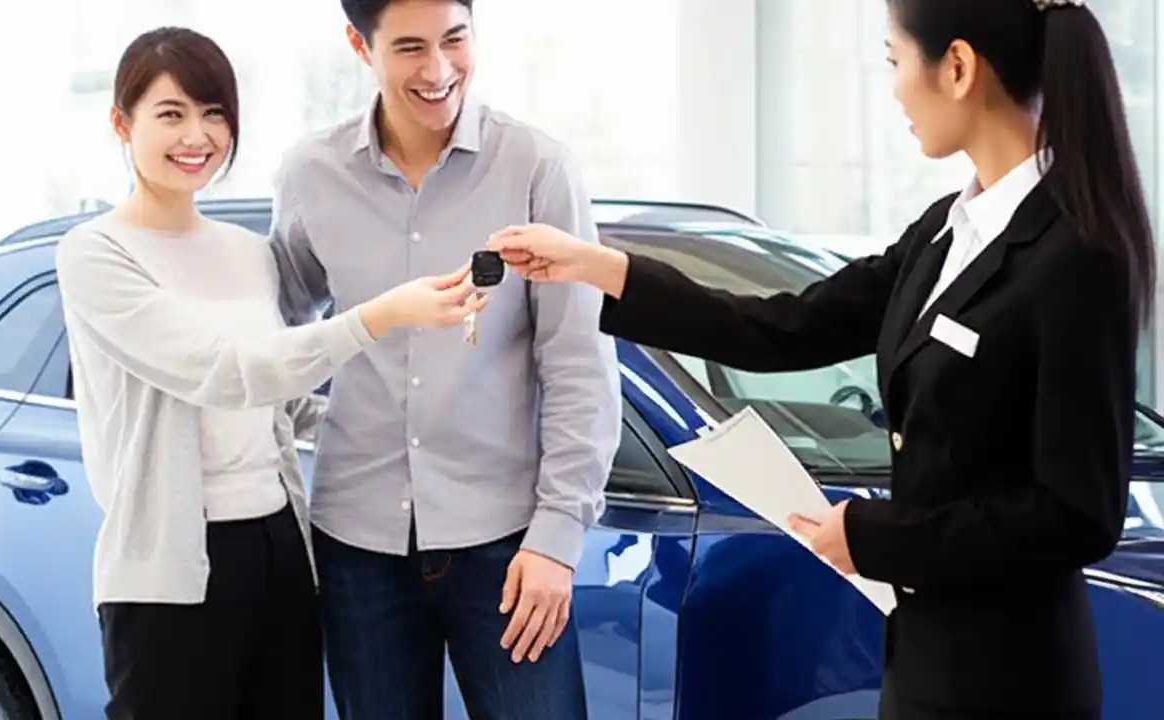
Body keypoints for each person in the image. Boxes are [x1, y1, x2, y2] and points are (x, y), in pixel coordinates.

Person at [487, 1, 1151, 718]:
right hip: (924, 658)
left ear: (957, 68)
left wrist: (872, 535)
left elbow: (1075, 514)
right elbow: (787, 326)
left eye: (896, 60)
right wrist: (602, 267)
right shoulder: (945, 235)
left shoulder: (1076, 258)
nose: (893, 87)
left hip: (1013, 679)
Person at [54, 26, 486, 720]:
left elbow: (278, 405)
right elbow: (228, 374)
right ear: (120, 123)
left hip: (282, 548)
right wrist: (380, 316)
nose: (197, 135)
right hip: (171, 571)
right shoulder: (96, 254)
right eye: (171, 114)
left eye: (214, 114)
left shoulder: (249, 253)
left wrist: (417, 418)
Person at [268, 0, 622, 717]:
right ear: (357, 45)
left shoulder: (535, 167)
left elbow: (579, 363)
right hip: (356, 542)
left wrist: (557, 537)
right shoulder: (310, 174)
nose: (438, 71)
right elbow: (280, 334)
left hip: (507, 545)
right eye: (409, 49)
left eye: (454, 40)